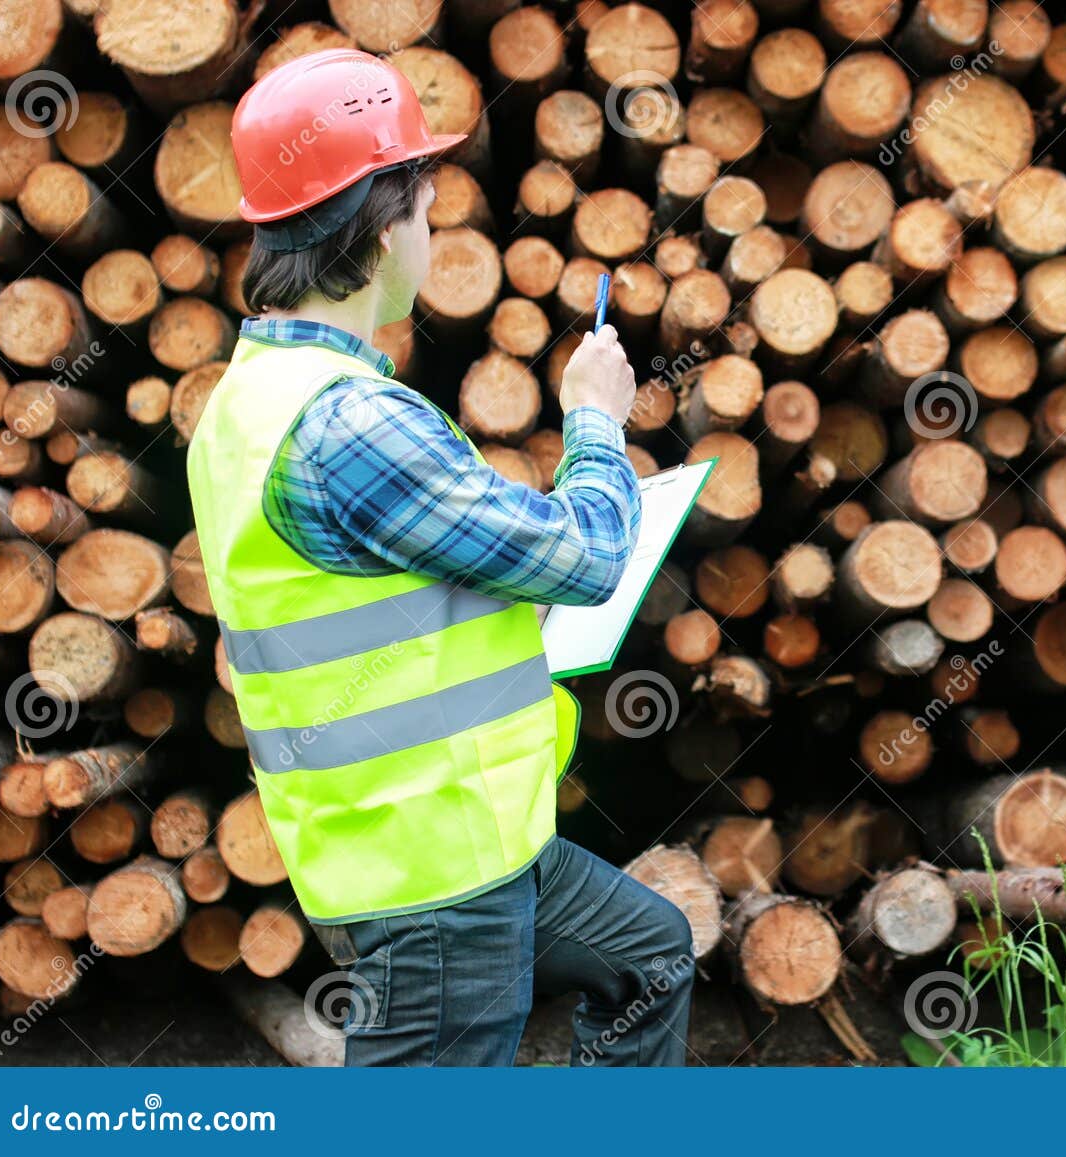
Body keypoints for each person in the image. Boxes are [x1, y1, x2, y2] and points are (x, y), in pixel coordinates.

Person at [186, 49, 694, 1066]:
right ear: (381, 227)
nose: (429, 233)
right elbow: (589, 553)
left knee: (650, 955)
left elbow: (389, 583)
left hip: (458, 839)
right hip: (430, 872)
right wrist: (594, 419)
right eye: (422, 207)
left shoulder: (249, 398)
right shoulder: (349, 422)